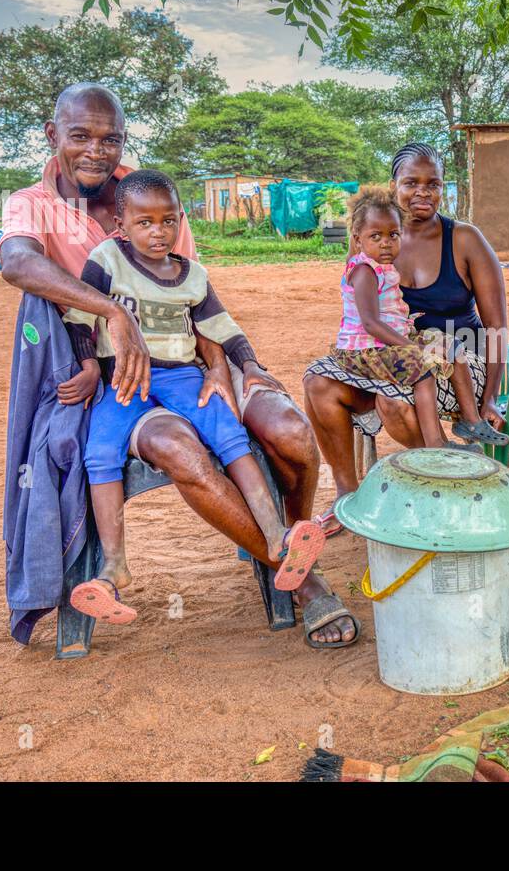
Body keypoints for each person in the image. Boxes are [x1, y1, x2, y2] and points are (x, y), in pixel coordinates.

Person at [0, 83, 357, 647]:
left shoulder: (150, 196)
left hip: (191, 359)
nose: (97, 150)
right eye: (80, 136)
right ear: (52, 136)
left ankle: (280, 538)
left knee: (288, 431)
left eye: (110, 138)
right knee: (174, 446)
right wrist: (111, 314)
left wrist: (222, 365)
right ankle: (298, 577)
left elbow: (196, 297)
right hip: (115, 374)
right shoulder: (31, 204)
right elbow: (16, 263)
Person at [61, 170, 325, 622]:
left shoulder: (192, 276)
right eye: (144, 222)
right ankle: (113, 568)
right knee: (99, 454)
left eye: (168, 221)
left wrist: (248, 367)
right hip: (122, 381)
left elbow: (222, 328)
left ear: (181, 220)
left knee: (229, 435)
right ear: (121, 225)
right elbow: (79, 317)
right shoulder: (106, 260)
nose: (158, 231)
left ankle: (277, 534)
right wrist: (88, 367)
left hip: (183, 375)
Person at [304, 143, 509, 532]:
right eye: (411, 182)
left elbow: (497, 327)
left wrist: (492, 396)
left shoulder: (465, 239)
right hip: (393, 353)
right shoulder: (371, 238)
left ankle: (439, 481)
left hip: (461, 358)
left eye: (434, 184)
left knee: (393, 400)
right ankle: (349, 496)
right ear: (394, 185)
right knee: (318, 382)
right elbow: (362, 311)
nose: (423, 192)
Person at [329, 187, 509, 450]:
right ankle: (437, 444)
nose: (385, 243)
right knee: (423, 368)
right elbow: (370, 323)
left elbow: (497, 327)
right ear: (358, 239)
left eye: (393, 235)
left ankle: (471, 421)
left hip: (392, 342)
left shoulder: (384, 267)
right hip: (367, 349)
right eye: (375, 237)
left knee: (451, 345)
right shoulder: (365, 271)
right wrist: (411, 346)